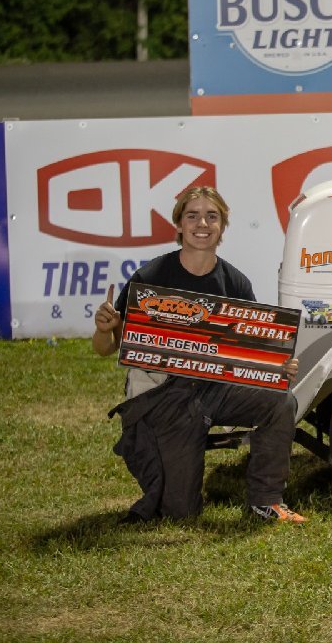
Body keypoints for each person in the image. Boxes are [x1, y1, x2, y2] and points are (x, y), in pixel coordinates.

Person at [92, 186, 305, 524]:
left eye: (212, 216)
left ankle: (266, 500)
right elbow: (105, 348)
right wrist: (106, 329)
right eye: (192, 215)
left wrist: (276, 367)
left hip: (217, 388)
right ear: (179, 224)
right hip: (166, 395)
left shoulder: (235, 282)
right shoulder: (151, 277)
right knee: (179, 513)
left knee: (280, 400)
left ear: (222, 226)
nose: (202, 223)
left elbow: (251, 350)